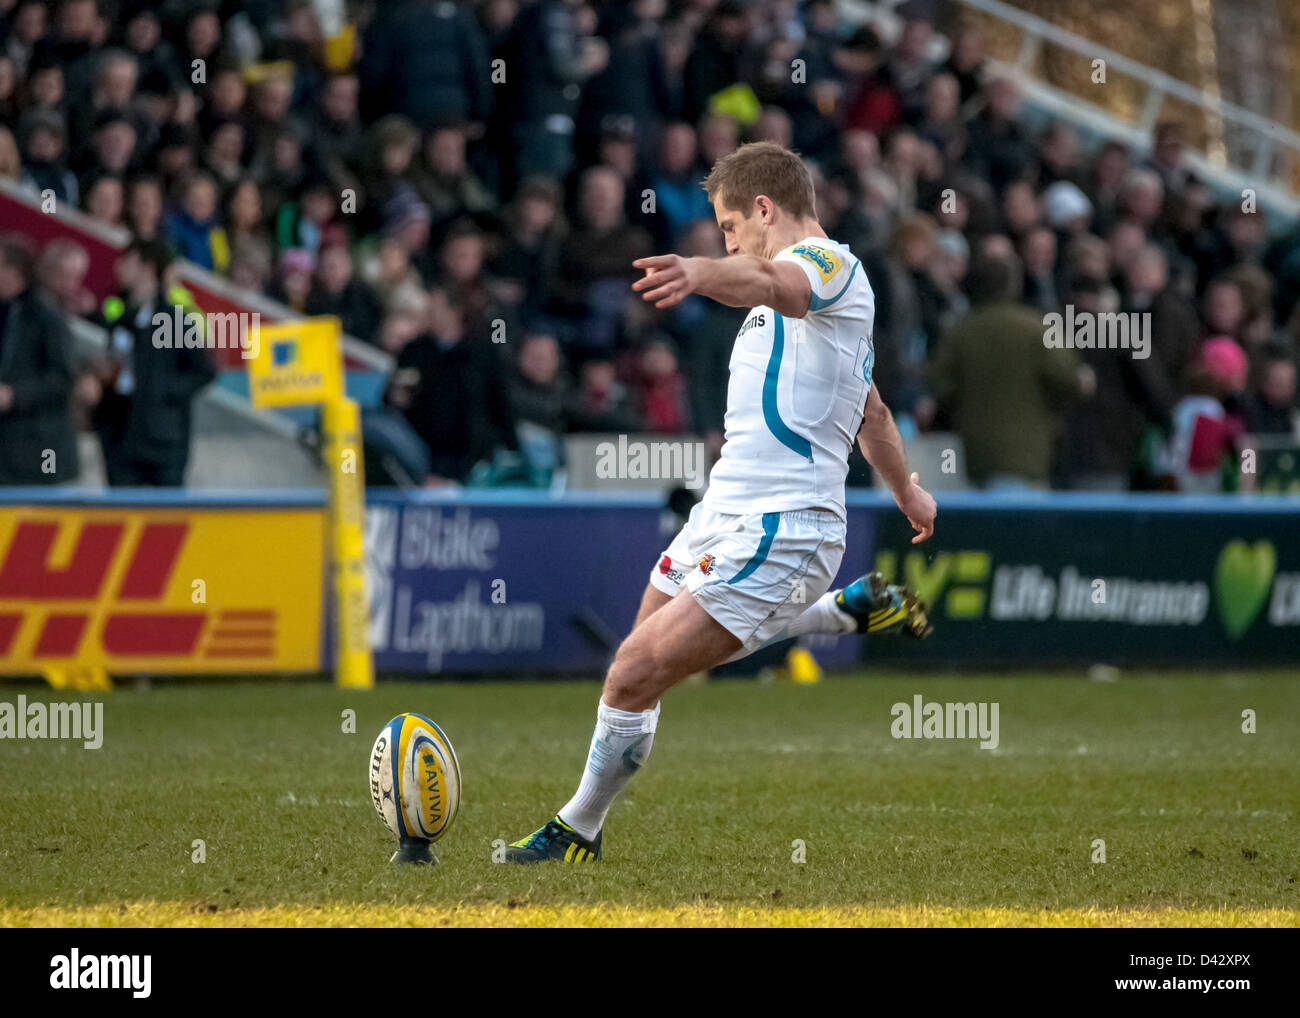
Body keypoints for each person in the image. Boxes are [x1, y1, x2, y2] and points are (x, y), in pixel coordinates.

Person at [502, 143, 937, 865]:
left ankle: (576, 829)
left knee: (635, 668)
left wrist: (702, 270)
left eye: (731, 228)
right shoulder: (793, 309)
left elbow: (773, 279)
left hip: (787, 524)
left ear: (765, 209)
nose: (727, 242)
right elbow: (874, 414)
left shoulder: (833, 269)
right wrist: (910, 492)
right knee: (644, 674)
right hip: (720, 512)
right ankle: (835, 611)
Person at [0, 233, 79, 485]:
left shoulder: (47, 316)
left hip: (36, 450)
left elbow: (62, 379)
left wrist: (14, 395)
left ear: (15, 272)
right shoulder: (6, 311)